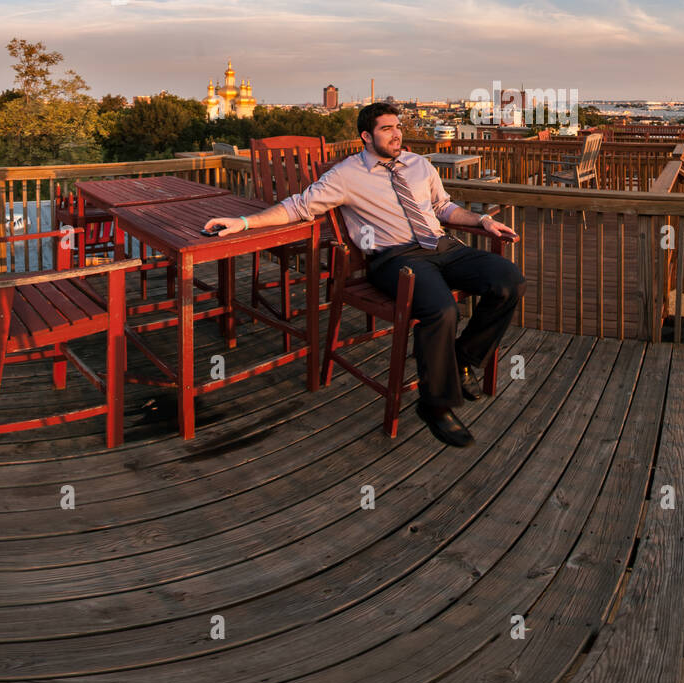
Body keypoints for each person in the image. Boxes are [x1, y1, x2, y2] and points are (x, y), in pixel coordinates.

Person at [203, 103, 521, 447]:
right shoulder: (346, 174)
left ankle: (462, 358)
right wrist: (245, 222)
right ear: (366, 136)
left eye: (397, 126)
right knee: (441, 310)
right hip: (395, 258)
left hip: (443, 247)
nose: (397, 133)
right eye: (387, 129)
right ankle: (435, 405)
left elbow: (443, 207)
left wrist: (482, 221)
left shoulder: (419, 164)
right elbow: (299, 205)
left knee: (509, 280)